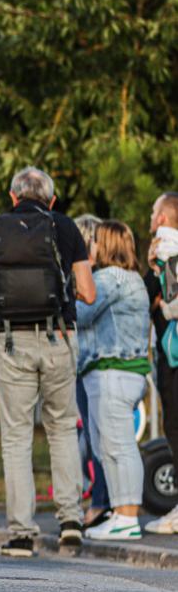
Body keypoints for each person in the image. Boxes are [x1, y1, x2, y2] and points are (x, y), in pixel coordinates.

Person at [0, 166, 96, 557]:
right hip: (60, 337)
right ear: (52, 200)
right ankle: (71, 523)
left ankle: (23, 534)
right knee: (61, 429)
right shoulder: (66, 227)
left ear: (12, 197)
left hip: (12, 341)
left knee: (16, 436)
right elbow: (88, 292)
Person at [77, 220, 150, 540]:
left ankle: (128, 515)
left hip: (113, 371)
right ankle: (121, 513)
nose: (88, 247)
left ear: (103, 245)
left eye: (93, 241)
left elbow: (80, 313)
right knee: (107, 445)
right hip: (116, 371)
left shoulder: (109, 279)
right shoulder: (129, 278)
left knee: (118, 446)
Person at [72, 214, 111, 526]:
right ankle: (100, 498)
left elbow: (81, 315)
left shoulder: (95, 278)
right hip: (86, 363)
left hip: (93, 363)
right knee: (93, 435)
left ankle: (102, 501)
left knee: (99, 437)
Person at [145, 192, 178, 533]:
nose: (151, 216)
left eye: (154, 212)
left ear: (164, 218)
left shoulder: (167, 249)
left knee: (175, 428)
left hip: (174, 355)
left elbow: (172, 301)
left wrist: (160, 304)